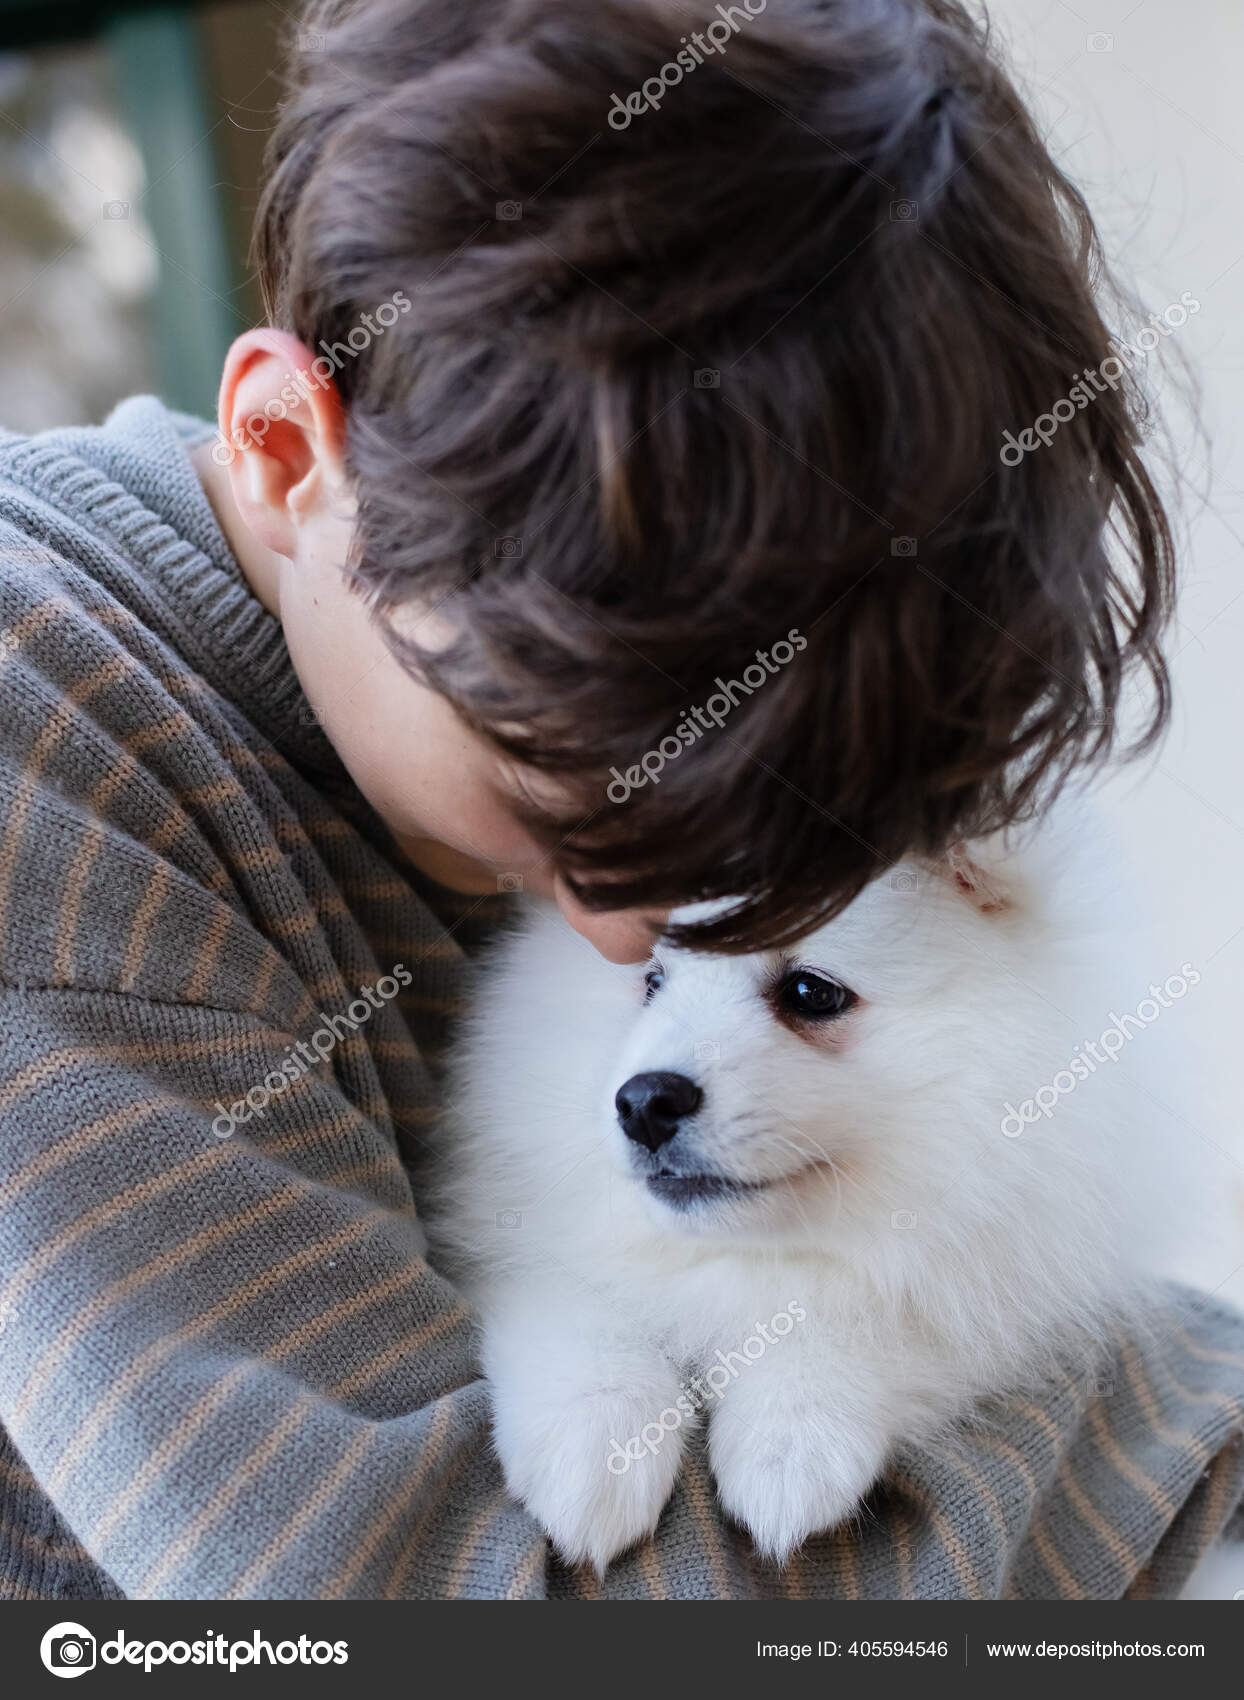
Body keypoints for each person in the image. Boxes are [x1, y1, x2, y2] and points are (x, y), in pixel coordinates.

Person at [2, 0, 1238, 1602]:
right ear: (287, 450)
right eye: (572, 791)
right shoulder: (44, 779)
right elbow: (442, 1605)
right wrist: (1176, 1429)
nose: (635, 930)